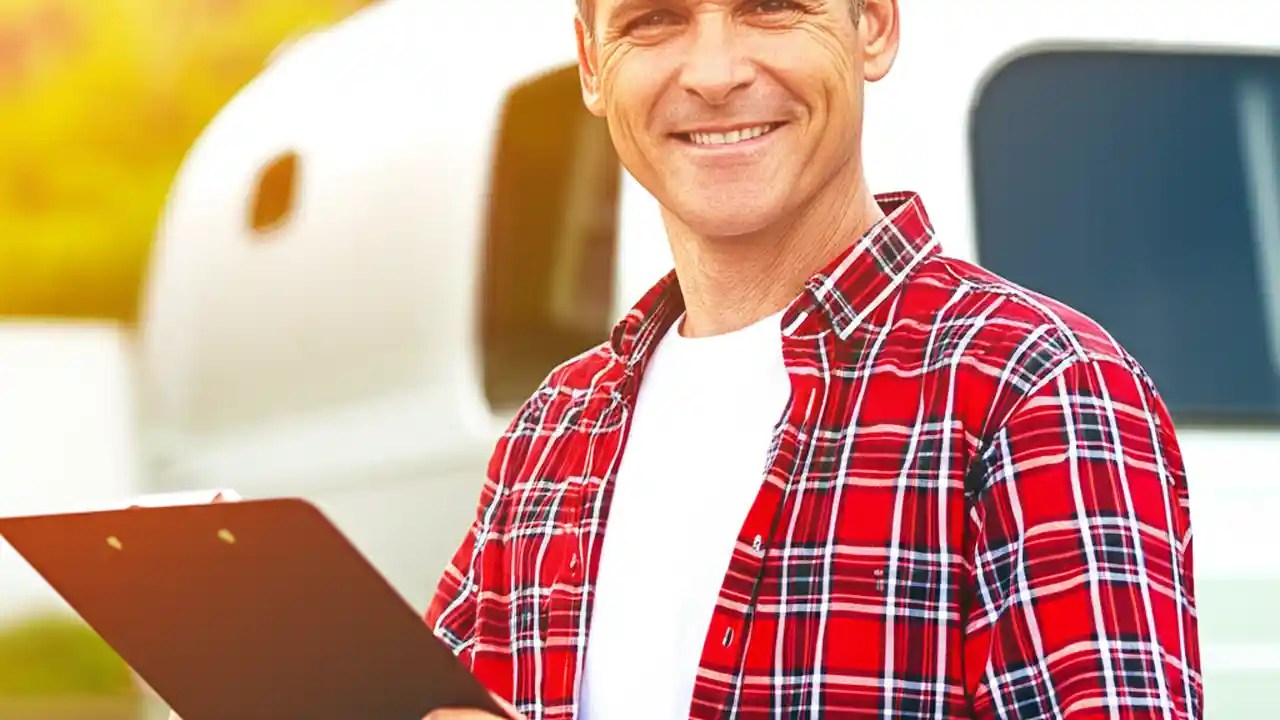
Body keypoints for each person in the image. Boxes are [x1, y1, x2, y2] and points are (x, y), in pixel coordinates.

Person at [461, 0, 1203, 717]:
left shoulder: (1035, 391)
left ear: (873, 24)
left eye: (772, 5)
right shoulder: (549, 435)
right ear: (592, 63)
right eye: (655, 17)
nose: (714, 73)